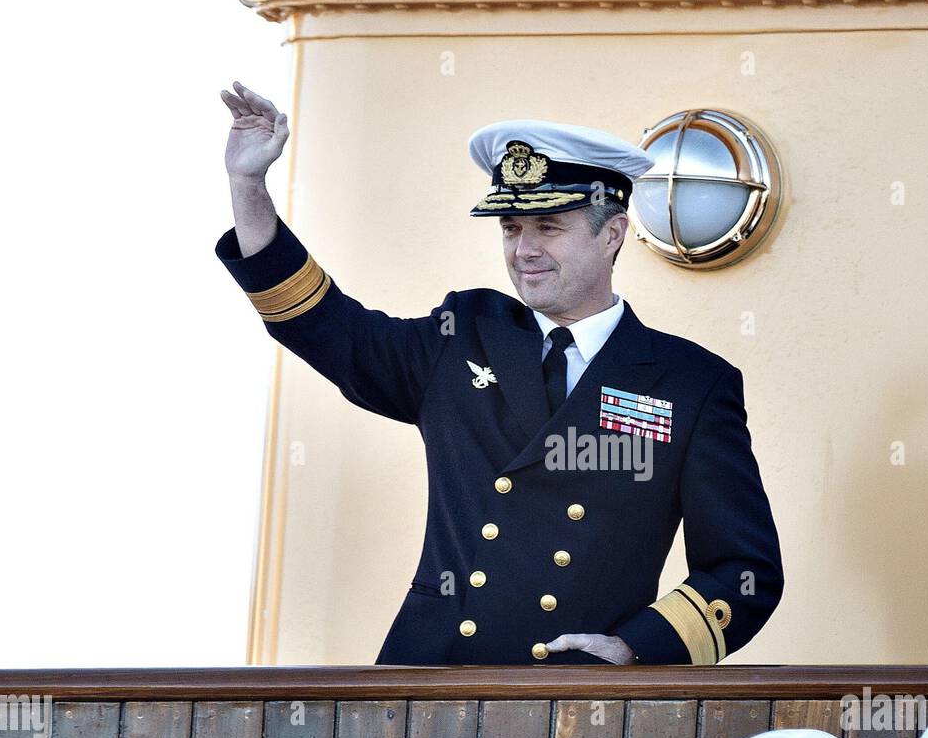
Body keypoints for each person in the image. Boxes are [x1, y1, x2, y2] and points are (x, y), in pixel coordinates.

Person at [215, 80, 783, 665]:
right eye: (511, 228)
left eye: (548, 228)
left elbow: (744, 569)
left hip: (579, 697)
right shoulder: (462, 334)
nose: (523, 250)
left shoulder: (689, 382)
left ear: (612, 234)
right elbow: (326, 326)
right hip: (425, 687)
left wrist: (634, 649)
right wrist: (248, 185)